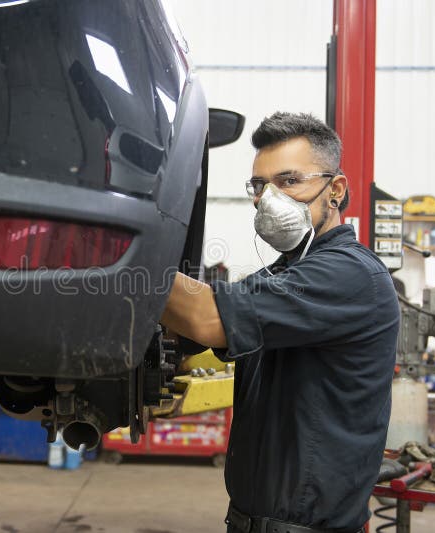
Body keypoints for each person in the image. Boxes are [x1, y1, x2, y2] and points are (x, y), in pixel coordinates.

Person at [161, 112, 399, 533]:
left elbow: (209, 317)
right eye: (260, 186)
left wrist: (119, 255)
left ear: (335, 190)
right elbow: (196, 328)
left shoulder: (350, 275)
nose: (268, 198)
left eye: (289, 181)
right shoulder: (282, 273)